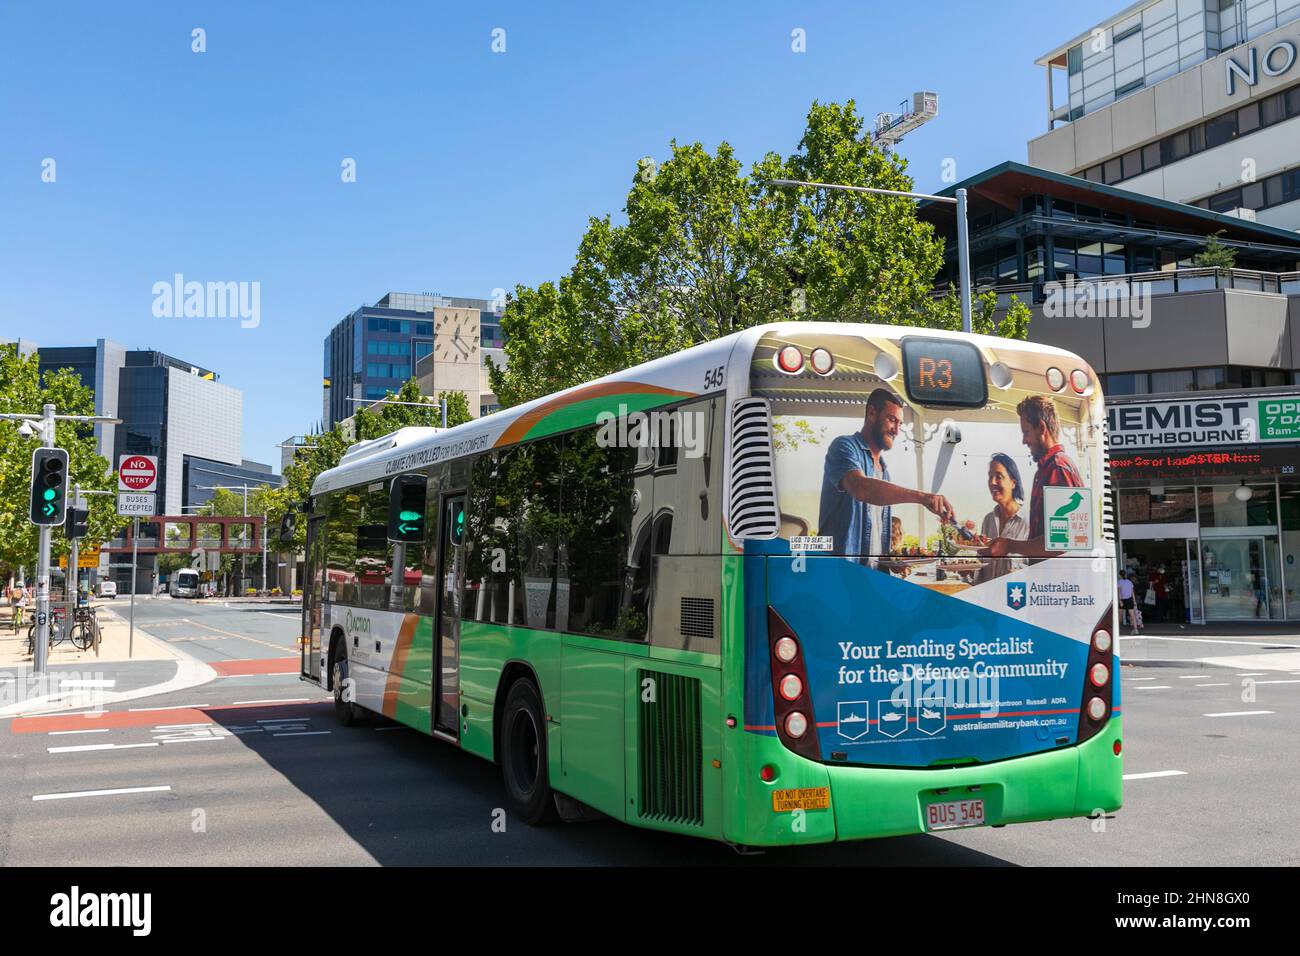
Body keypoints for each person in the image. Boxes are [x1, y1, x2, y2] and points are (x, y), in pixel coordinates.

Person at [819, 387, 954, 567]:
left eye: (900, 424)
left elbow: (876, 533)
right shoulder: (844, 446)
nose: (897, 431)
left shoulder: (884, 471)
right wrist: (922, 497)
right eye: (892, 420)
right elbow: (860, 488)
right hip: (840, 574)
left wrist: (891, 564)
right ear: (872, 413)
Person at [986, 395, 1084, 561]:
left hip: (1057, 582)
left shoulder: (1058, 468)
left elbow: (1063, 542)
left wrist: (1010, 545)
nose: (1024, 441)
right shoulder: (1047, 469)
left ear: (1041, 427)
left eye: (1026, 432)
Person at [975, 453, 1029, 583]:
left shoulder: (1029, 521)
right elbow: (980, 565)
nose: (992, 482)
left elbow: (1041, 571)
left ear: (1013, 483)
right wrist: (969, 571)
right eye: (990, 477)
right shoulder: (988, 520)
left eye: (998, 477)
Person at [1117, 569, 1140, 633]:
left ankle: (1117, 630)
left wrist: (1120, 600)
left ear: (1120, 575)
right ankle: (1136, 630)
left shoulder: (1119, 582)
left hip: (1123, 600)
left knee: (1120, 616)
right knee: (1132, 615)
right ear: (1125, 574)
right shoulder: (1129, 582)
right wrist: (1134, 601)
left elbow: (1119, 592)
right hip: (1129, 600)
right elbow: (1132, 592)